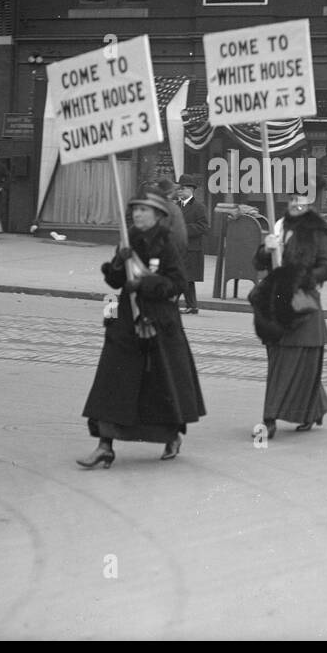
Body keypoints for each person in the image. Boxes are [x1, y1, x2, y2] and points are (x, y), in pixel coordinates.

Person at [78, 191, 206, 467]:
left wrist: (145, 284)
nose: (137, 215)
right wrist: (117, 263)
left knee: (160, 385)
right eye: (135, 210)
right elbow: (114, 282)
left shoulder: (166, 243)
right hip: (126, 323)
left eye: (143, 210)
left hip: (157, 324)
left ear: (158, 215)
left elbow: (177, 283)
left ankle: (171, 436)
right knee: (113, 381)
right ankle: (104, 445)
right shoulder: (128, 240)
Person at [251, 190, 327, 437]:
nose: (295, 206)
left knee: (296, 360)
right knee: (284, 361)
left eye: (301, 202)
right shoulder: (278, 227)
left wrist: (302, 278)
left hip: (302, 301)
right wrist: (266, 250)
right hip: (275, 302)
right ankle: (314, 408)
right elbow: (259, 263)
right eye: (291, 201)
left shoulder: (317, 233)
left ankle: (269, 419)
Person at [177, 173, 209, 314]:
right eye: (179, 188)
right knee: (184, 277)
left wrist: (184, 229)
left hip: (192, 248)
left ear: (190, 190)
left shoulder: (199, 207)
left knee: (185, 278)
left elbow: (203, 227)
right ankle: (192, 306)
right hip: (179, 248)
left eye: (182, 188)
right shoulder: (176, 206)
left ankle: (187, 305)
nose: (179, 191)